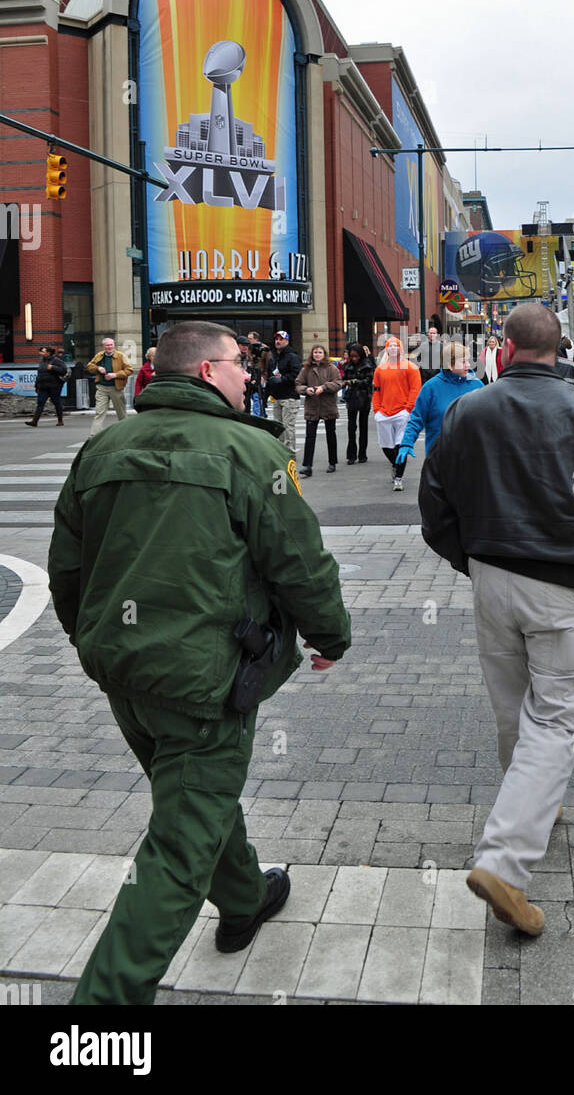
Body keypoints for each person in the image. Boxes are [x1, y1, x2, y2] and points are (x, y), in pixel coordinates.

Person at [48, 321, 350, 1004]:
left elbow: (66, 568)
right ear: (209, 372)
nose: (250, 374)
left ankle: (243, 895)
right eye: (240, 364)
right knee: (178, 848)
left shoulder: (102, 448)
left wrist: (91, 642)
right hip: (204, 679)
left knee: (191, 795)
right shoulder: (249, 451)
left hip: (123, 673)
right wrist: (329, 635)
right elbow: (298, 562)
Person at [419, 302, 574, 935]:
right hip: (567, 583)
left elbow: (433, 502)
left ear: (506, 347)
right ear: (558, 349)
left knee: (513, 707)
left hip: (493, 575)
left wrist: (472, 561)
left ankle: (533, 805)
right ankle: (506, 862)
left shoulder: (469, 409)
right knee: (560, 717)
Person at [395, 341, 483, 483]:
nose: (468, 365)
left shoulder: (477, 385)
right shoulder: (431, 388)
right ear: (450, 364)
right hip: (439, 460)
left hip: (470, 459)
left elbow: (487, 419)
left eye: (468, 361)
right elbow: (416, 418)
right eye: (463, 361)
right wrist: (406, 443)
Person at [372, 335, 421, 492]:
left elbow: (415, 389)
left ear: (401, 349)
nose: (393, 348)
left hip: (402, 412)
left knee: (401, 446)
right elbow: (376, 391)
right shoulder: (380, 369)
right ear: (386, 349)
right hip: (384, 413)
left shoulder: (410, 367)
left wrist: (408, 409)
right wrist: (377, 410)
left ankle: (398, 478)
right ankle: (395, 465)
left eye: (396, 345)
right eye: (390, 346)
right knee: (386, 446)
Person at [297, 344, 341, 476]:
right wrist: (306, 390)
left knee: (330, 435)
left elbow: (338, 383)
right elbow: (298, 384)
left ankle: (332, 462)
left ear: (324, 354)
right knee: (310, 437)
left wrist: (324, 387)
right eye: (315, 352)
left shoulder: (331, 368)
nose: (317, 354)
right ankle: (308, 466)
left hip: (328, 405)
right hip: (313, 406)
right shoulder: (306, 369)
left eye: (320, 352)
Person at [87, 338, 134, 434]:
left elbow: (129, 370)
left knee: (121, 413)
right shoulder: (99, 355)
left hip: (116, 388)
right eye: (107, 345)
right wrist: (98, 368)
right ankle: (93, 436)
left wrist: (115, 375)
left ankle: (125, 433)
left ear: (114, 345)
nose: (109, 347)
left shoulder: (121, 356)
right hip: (102, 387)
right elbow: (89, 366)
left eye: (111, 345)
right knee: (99, 412)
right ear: (103, 346)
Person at [267, 330, 302, 455]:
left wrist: (281, 379)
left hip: (289, 397)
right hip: (277, 396)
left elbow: (296, 375)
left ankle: (290, 454)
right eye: (276, 339)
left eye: (281, 339)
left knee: (288, 427)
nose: (278, 341)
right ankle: (281, 452)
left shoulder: (292, 356)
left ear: (287, 341)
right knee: (279, 427)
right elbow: (270, 373)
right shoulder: (274, 357)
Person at [341, 342, 374, 464]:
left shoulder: (367, 365)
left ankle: (362, 454)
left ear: (361, 355)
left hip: (364, 397)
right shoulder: (348, 366)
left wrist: (354, 381)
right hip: (352, 398)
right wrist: (347, 382)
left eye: (356, 356)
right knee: (351, 428)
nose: (354, 359)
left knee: (363, 427)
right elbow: (344, 378)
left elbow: (368, 380)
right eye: (352, 356)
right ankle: (351, 455)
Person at [25, 346, 68, 426]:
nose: (41, 353)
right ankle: (34, 421)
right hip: (43, 386)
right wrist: (36, 385)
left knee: (57, 403)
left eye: (43, 352)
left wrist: (53, 367)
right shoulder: (42, 361)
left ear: (48, 353)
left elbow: (64, 370)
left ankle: (60, 421)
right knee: (40, 403)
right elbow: (39, 374)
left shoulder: (56, 360)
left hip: (54, 386)